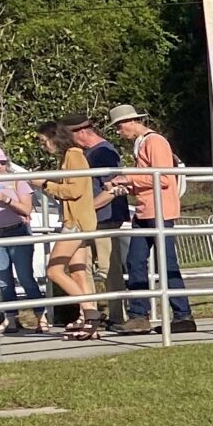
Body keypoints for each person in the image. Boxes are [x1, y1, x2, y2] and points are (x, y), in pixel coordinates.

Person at [106, 104, 199, 333]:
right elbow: (150, 178)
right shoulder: (142, 144)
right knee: (135, 261)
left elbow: (163, 177)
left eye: (119, 127)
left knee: (166, 262)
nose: (119, 132)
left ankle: (182, 315)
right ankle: (139, 314)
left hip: (160, 211)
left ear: (130, 122)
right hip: (145, 210)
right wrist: (129, 185)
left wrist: (127, 179)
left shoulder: (155, 142)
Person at [34, 122, 101, 337]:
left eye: (44, 142)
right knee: (78, 271)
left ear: (54, 137)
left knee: (54, 270)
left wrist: (45, 184)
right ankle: (89, 319)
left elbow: (75, 189)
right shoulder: (68, 157)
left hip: (76, 223)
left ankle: (90, 314)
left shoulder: (74, 155)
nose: (43, 146)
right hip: (75, 221)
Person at [69, 116, 132, 328]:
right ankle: (90, 314)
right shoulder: (88, 153)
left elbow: (112, 190)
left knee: (109, 268)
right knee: (82, 266)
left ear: (82, 132)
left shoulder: (103, 153)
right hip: (91, 220)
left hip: (105, 219)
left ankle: (117, 315)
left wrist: (87, 209)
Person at [0, 146, 47, 336]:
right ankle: (10, 318)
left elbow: (26, 209)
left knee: (26, 277)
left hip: (17, 231)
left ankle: (41, 317)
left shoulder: (17, 180)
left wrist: (7, 201)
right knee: (3, 280)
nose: (0, 166)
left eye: (2, 162)